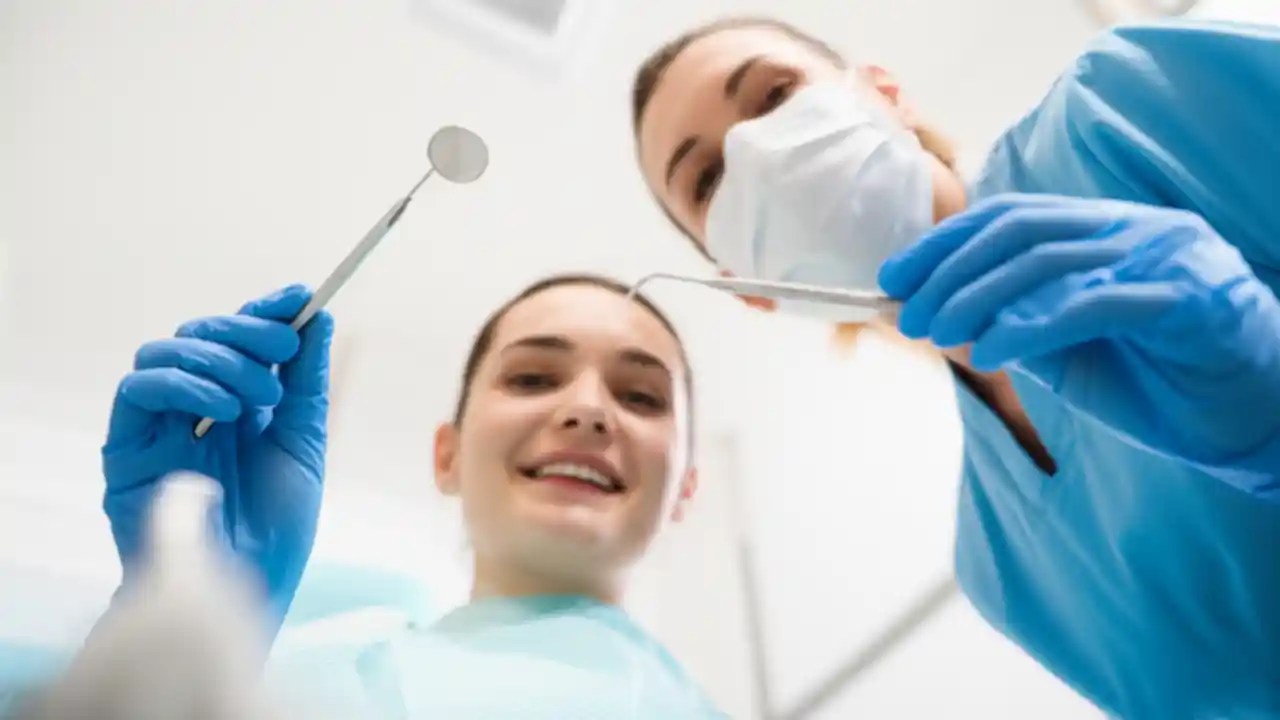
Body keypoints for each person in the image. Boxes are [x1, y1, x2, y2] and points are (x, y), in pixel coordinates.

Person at [629, 15, 1280, 719]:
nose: (757, 152)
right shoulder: (1000, 565)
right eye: (709, 177)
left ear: (884, 93)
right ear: (752, 291)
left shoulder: (1124, 110)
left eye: (774, 95)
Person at [98, 278, 725, 717]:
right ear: (446, 455)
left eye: (641, 396)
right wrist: (183, 608)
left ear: (685, 490)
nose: (588, 410)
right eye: (532, 377)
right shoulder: (308, 661)